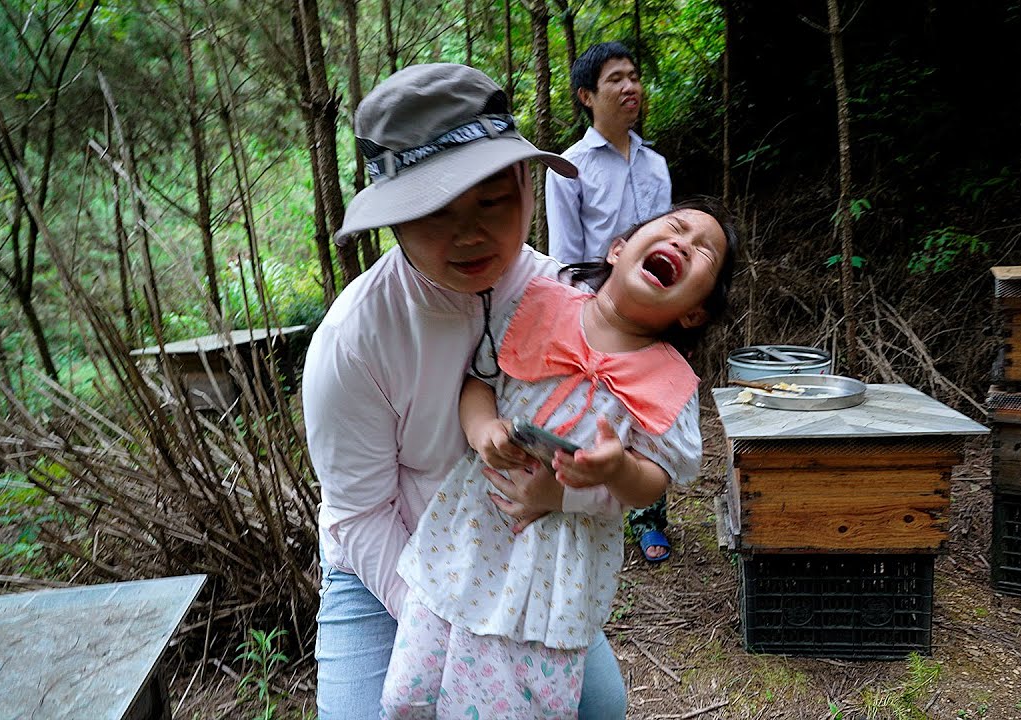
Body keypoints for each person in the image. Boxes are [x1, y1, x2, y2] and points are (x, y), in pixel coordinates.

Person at [302, 63, 627, 720]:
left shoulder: (567, 308)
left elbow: (611, 463)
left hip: (520, 556)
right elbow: (361, 513)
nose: (471, 234)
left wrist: (565, 495)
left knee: (600, 708)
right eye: (436, 214)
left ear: (526, 189)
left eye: (490, 201)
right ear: (392, 220)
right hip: (384, 569)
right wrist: (451, 629)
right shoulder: (355, 339)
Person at [382, 201, 738, 717]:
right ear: (618, 250)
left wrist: (614, 471)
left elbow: (654, 482)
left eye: (703, 250)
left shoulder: (670, 382)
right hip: (474, 526)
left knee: (503, 704)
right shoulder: (539, 304)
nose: (684, 242)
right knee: (407, 694)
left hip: (552, 565)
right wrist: (483, 429)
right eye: (676, 227)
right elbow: (479, 382)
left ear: (694, 311)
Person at [546, 40, 677, 564]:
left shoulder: (656, 165)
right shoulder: (569, 168)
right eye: (615, 80)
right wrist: (583, 319)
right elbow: (564, 254)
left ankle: (649, 520)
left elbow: (671, 243)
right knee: (599, 413)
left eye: (634, 77)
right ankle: (584, 506)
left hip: (656, 306)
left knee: (651, 411)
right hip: (596, 308)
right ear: (586, 95)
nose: (630, 88)